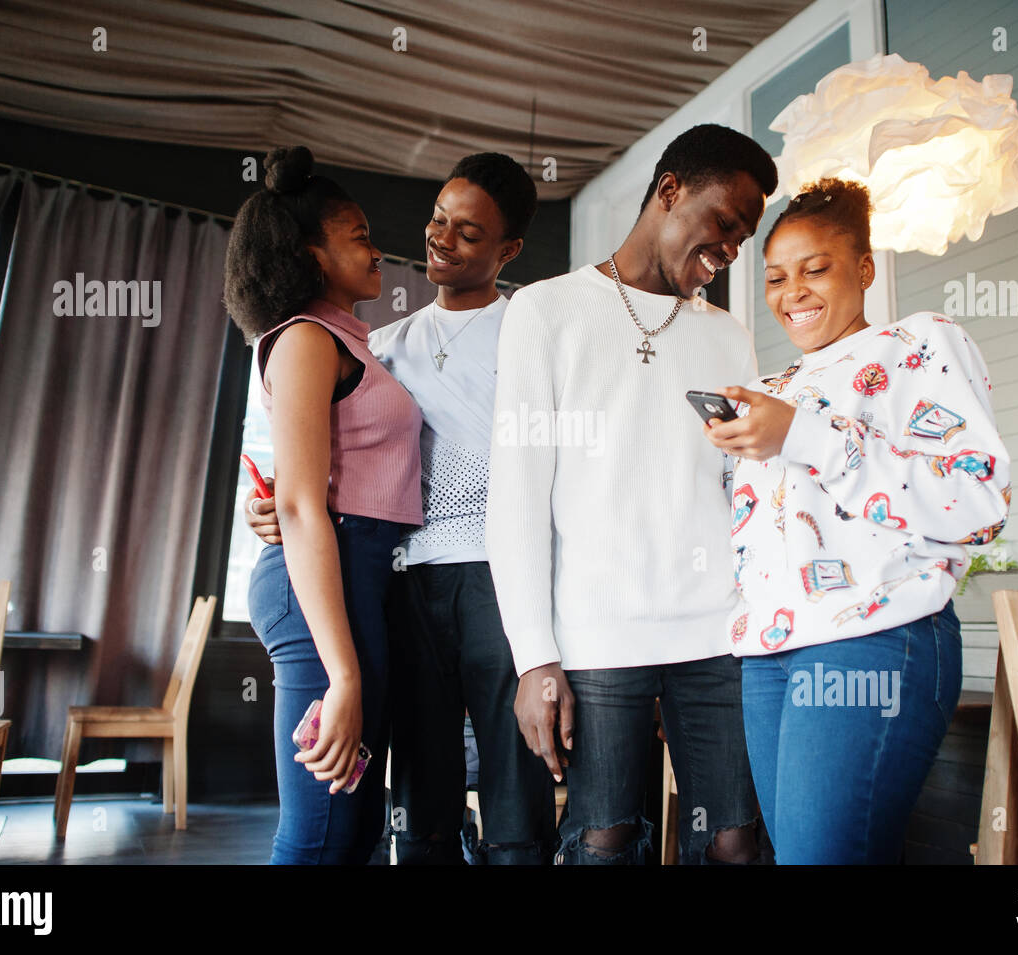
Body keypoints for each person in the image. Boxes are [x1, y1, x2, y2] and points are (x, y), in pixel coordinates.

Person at [245, 154, 557, 864]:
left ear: (507, 250)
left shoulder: (531, 333)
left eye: (469, 232)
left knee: (515, 796)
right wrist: (269, 510)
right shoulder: (381, 347)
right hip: (402, 579)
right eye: (438, 219)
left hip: (500, 579)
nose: (441, 239)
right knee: (416, 795)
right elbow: (323, 467)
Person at [485, 124, 777, 864]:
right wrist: (533, 658)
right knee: (606, 838)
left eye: (743, 238)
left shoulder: (729, 336)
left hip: (715, 630)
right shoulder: (543, 311)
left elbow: (738, 489)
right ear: (669, 189)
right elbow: (517, 498)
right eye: (724, 224)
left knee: (737, 841)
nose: (730, 250)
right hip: (596, 631)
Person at [701, 177, 1011, 863]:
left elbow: (979, 500)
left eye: (817, 269)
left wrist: (804, 437)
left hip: (874, 637)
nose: (793, 293)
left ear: (865, 268)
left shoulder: (918, 345)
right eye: (776, 277)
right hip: (767, 656)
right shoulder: (774, 390)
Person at [224, 145, 423, 864]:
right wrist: (344, 676)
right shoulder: (306, 339)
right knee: (321, 837)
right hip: (321, 589)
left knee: (354, 831)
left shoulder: (348, 341)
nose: (378, 250)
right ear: (311, 252)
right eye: (359, 235)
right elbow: (304, 506)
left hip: (354, 580)